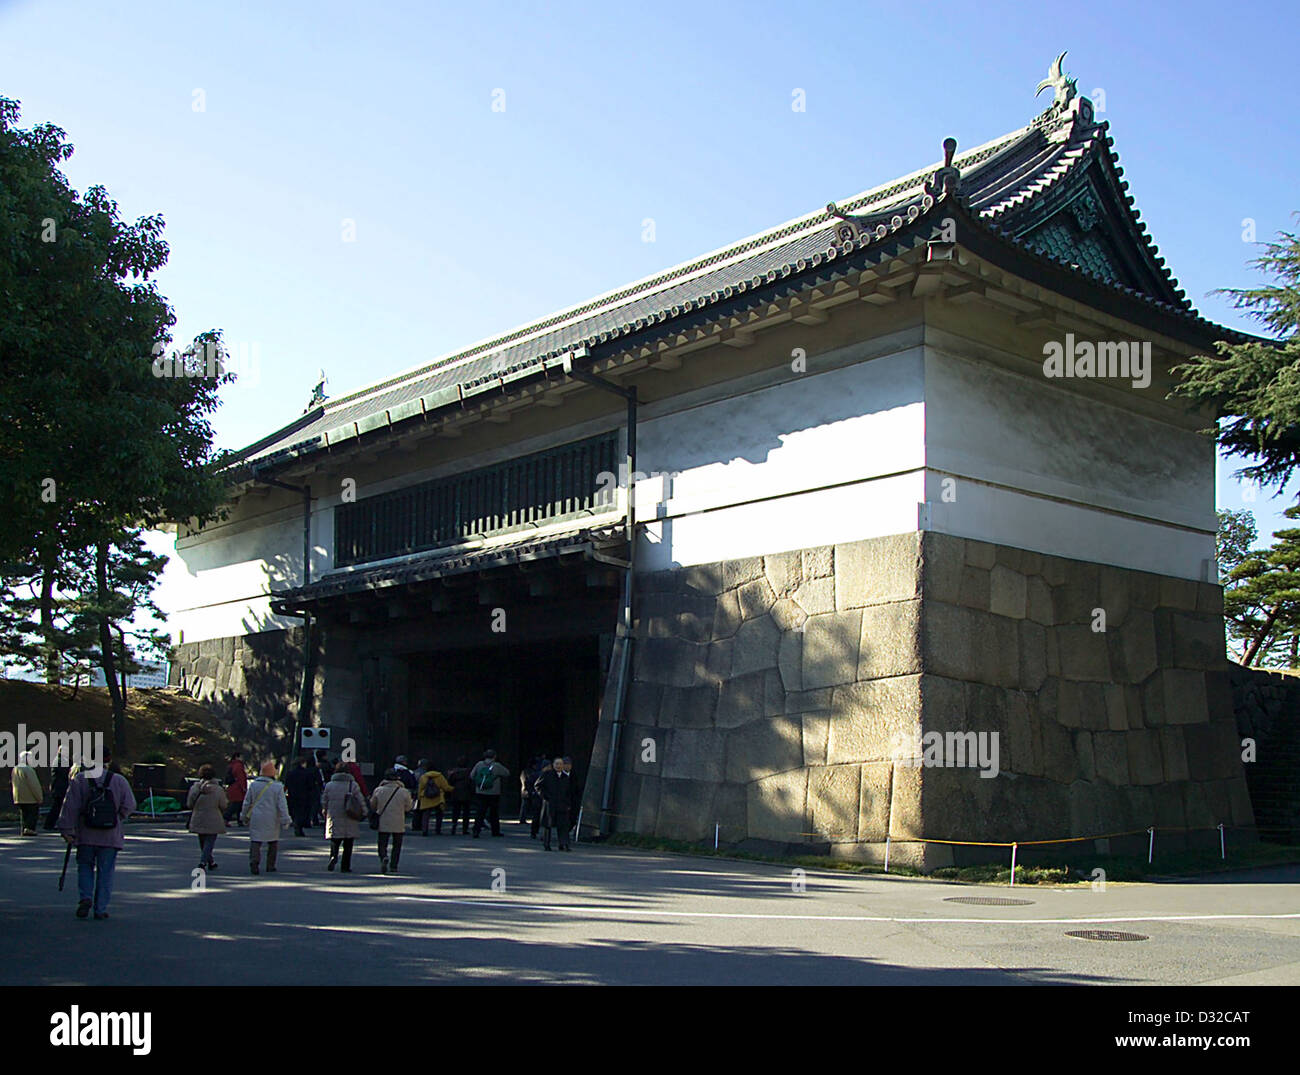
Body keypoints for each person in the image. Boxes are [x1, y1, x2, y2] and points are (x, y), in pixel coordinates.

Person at [57, 751, 136, 919]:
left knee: (85, 866)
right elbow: (130, 805)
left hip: (86, 833)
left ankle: (85, 897)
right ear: (109, 760)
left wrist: (67, 830)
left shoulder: (80, 779)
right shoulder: (119, 780)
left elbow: (70, 806)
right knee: (106, 872)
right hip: (110, 835)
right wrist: (117, 817)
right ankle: (100, 908)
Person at [241, 761, 292, 874]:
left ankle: (254, 862)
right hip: (272, 817)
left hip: (256, 817)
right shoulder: (277, 786)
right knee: (272, 842)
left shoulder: (254, 785)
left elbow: (247, 802)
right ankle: (270, 865)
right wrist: (285, 819)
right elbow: (282, 805)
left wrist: (244, 815)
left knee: (256, 840)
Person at [322, 762, 366, 872]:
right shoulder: (353, 784)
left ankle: (333, 855)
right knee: (348, 842)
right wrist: (365, 811)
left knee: (335, 839)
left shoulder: (329, 785)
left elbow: (324, 800)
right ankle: (345, 866)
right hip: (349, 814)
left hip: (334, 814)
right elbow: (360, 799)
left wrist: (324, 811)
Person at [370, 769, 412, 873]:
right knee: (397, 845)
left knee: (382, 843)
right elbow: (408, 807)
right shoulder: (404, 791)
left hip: (383, 820)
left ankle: (383, 856)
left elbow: (373, 805)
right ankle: (394, 866)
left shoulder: (378, 790)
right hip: (398, 820)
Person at [186, 764, 228, 871]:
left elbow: (189, 804)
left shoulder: (195, 788)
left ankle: (210, 861)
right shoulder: (218, 789)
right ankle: (203, 862)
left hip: (199, 817)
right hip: (214, 817)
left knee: (202, 840)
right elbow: (223, 805)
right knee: (210, 841)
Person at [535, 756, 574, 851]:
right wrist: (545, 796)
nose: (558, 766)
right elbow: (537, 786)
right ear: (553, 765)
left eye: (560, 764)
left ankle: (564, 844)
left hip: (562, 804)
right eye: (557, 764)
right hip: (550, 804)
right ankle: (546, 844)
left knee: (563, 825)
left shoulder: (565, 777)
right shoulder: (547, 774)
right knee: (548, 825)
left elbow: (569, 792)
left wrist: (568, 803)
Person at [470, 749, 510, 838]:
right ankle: (495, 831)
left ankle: (476, 830)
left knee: (480, 812)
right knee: (494, 813)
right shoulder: (497, 765)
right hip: (494, 792)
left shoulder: (479, 764)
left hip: (480, 791)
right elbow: (507, 773)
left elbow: (472, 775)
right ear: (494, 756)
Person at [10, 750, 43, 835]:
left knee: (24, 814)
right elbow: (34, 785)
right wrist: (39, 797)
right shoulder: (29, 769)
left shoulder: (15, 768)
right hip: (30, 797)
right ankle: (29, 829)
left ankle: (24, 828)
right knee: (32, 813)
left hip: (19, 796)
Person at [415, 765, 453, 836]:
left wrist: (419, 797)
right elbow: (445, 787)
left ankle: (424, 830)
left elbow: (420, 788)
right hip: (438, 797)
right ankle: (438, 830)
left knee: (425, 815)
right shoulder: (440, 776)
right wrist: (453, 789)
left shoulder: (423, 777)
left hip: (426, 797)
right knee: (439, 814)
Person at [284, 757, 315, 836]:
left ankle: (296, 824)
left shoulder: (290, 773)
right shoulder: (307, 773)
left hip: (292, 795)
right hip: (304, 795)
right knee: (302, 812)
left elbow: (286, 784)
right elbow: (311, 785)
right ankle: (299, 826)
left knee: (295, 811)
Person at [43, 752, 71, 832]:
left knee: (57, 807)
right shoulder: (60, 762)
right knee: (57, 807)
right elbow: (64, 774)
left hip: (58, 788)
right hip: (60, 788)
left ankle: (51, 824)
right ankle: (50, 824)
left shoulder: (59, 761)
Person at [446, 756, 473, 835]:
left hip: (456, 793)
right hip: (466, 793)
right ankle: (465, 829)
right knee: (466, 812)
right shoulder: (469, 772)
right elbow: (471, 783)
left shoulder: (454, 772)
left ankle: (454, 827)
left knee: (455, 811)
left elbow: (450, 782)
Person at [223, 752, 248, 825]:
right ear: (237, 757)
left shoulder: (232, 765)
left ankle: (238, 820)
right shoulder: (238, 765)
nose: (242, 758)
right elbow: (241, 777)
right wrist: (244, 787)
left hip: (232, 787)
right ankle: (227, 819)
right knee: (236, 804)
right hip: (237, 788)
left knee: (237, 804)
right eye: (241, 756)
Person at [528, 758, 551, 839]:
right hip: (539, 797)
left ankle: (536, 832)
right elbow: (531, 784)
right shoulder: (539, 775)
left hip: (541, 797)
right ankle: (536, 832)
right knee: (538, 816)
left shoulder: (548, 775)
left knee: (539, 816)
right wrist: (533, 792)